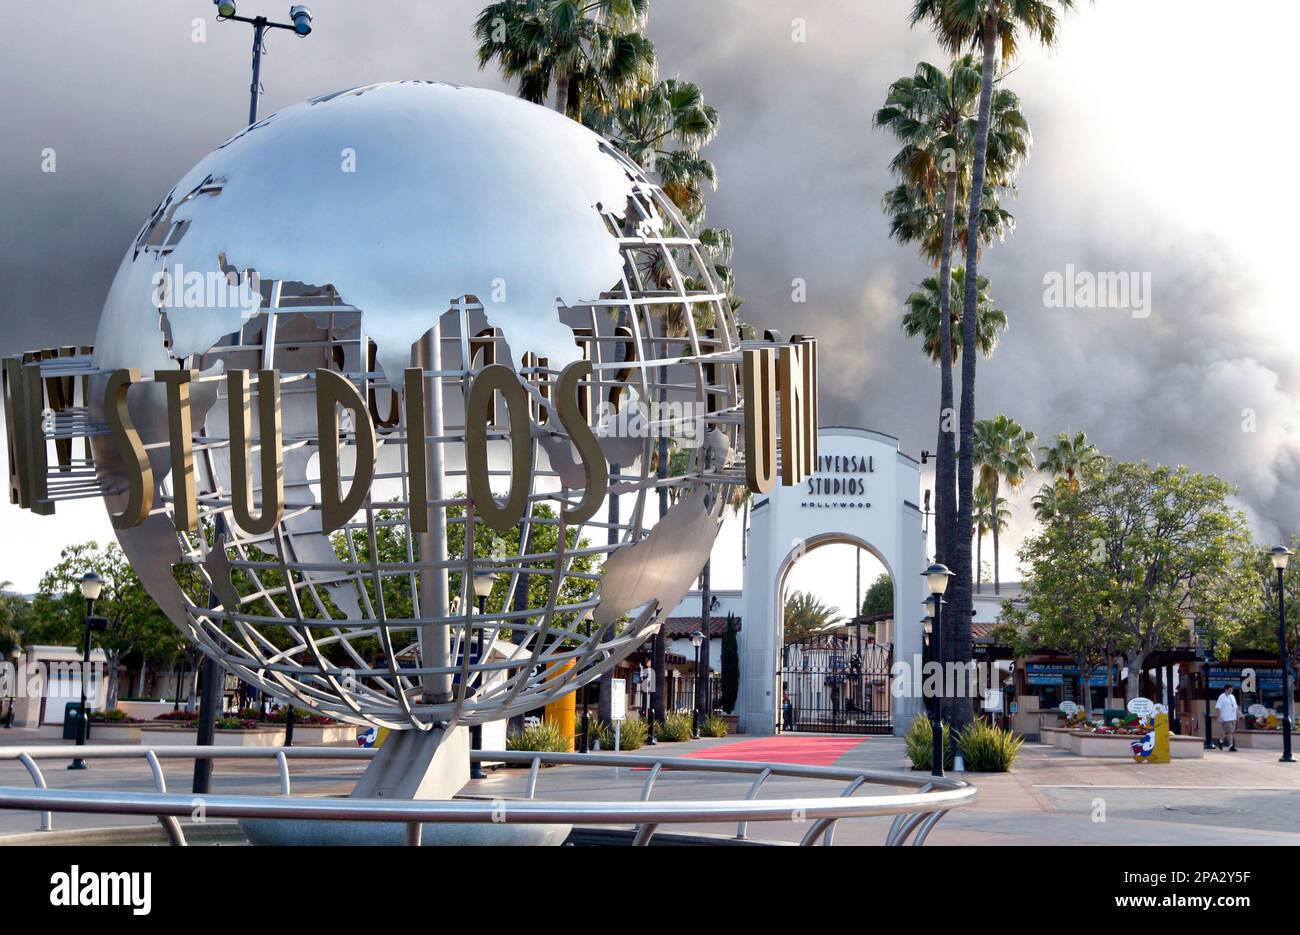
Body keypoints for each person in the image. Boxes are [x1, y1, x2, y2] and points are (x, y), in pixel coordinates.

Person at [1215, 684, 1240, 751]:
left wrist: (1239, 713)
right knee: (1229, 733)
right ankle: (1231, 746)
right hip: (1226, 718)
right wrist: (1219, 717)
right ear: (1226, 690)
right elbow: (1218, 707)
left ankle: (1220, 741)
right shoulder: (1222, 697)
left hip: (1233, 717)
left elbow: (1235, 706)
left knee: (1229, 732)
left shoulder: (1232, 696)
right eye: (1229, 690)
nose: (1231, 691)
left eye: (1232, 690)